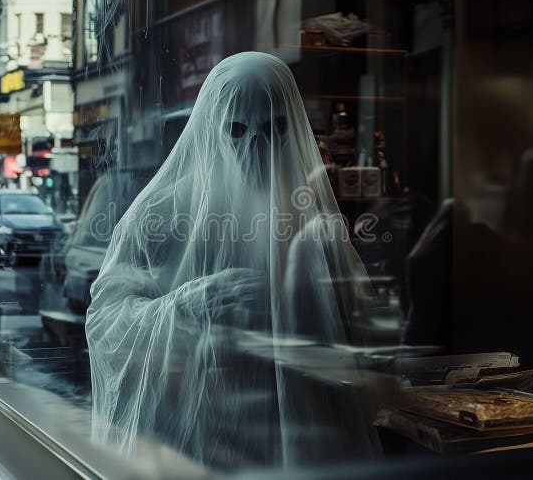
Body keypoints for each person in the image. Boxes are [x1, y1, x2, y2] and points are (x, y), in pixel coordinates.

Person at [86, 52, 378, 468]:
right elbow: (104, 322)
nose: (255, 149)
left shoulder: (309, 219)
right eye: (237, 130)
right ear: (213, 127)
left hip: (292, 439)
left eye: (273, 130)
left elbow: (357, 327)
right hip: (192, 438)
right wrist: (181, 307)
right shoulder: (160, 214)